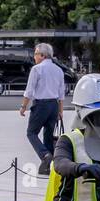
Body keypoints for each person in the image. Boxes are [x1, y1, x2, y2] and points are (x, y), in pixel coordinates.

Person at [21, 43, 67, 175]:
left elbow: (29, 91)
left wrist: (23, 106)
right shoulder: (58, 70)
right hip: (54, 105)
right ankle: (49, 166)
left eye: (35, 54)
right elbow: (61, 93)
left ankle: (45, 155)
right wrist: (60, 111)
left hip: (41, 104)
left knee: (31, 132)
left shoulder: (37, 69)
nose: (34, 56)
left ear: (42, 55)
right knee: (48, 134)